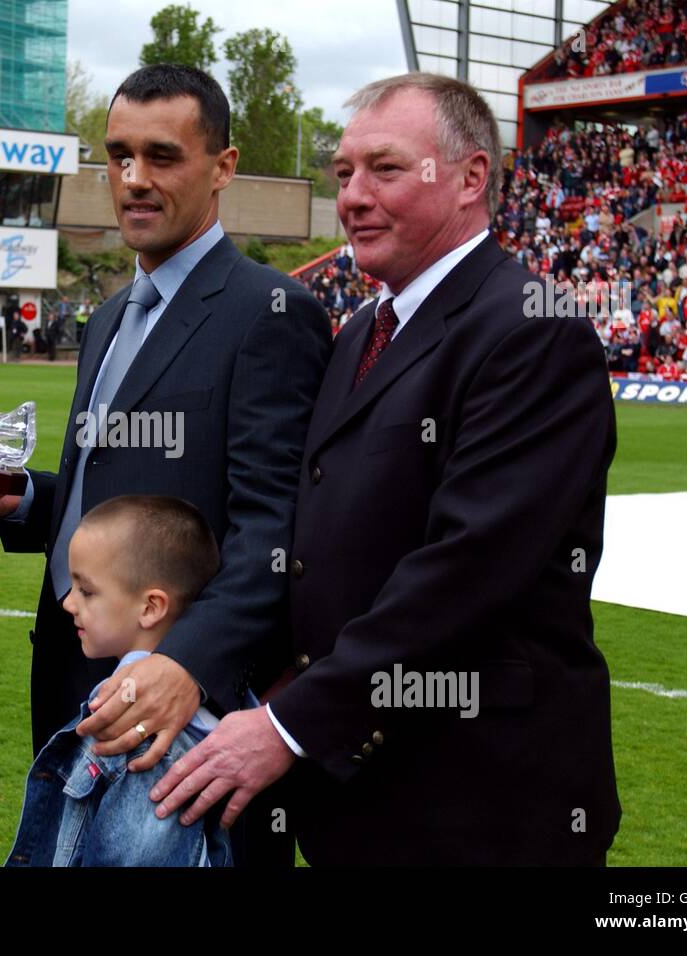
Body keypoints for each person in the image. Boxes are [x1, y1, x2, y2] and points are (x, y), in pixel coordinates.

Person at [151, 72, 621, 866]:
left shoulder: (531, 330)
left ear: (471, 178)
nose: (353, 197)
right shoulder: (364, 329)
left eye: (385, 169)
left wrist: (290, 723)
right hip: (356, 796)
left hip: (481, 807)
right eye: (342, 174)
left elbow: (466, 573)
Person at [0, 64, 330, 868]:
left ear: (223, 168)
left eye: (162, 156)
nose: (132, 179)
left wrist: (184, 664)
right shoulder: (109, 318)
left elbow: (273, 529)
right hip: (74, 669)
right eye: (117, 155)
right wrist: (17, 497)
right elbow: (113, 496)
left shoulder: (269, 312)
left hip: (184, 703)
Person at [6, 495, 242, 867]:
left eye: (87, 590)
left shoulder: (142, 740)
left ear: (150, 608)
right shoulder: (203, 713)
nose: (69, 602)